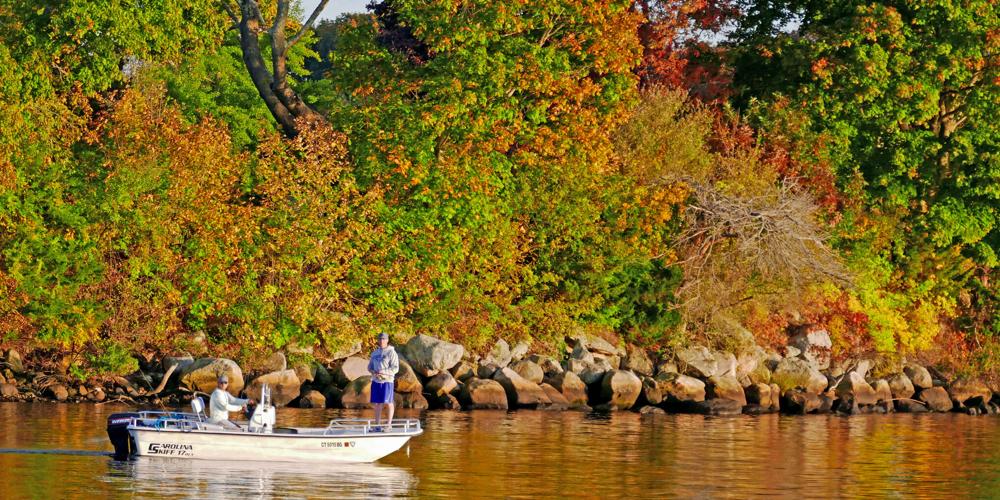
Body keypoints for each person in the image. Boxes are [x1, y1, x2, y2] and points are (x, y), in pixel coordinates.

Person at [367, 332, 399, 431]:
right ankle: (377, 426)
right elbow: (369, 367)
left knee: (388, 402)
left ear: (387, 340)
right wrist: (373, 372)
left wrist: (384, 372)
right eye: (380, 339)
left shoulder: (391, 352)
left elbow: (395, 368)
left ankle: (389, 425)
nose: (381, 341)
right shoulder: (374, 353)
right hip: (376, 381)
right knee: (377, 403)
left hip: (387, 381)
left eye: (383, 339)